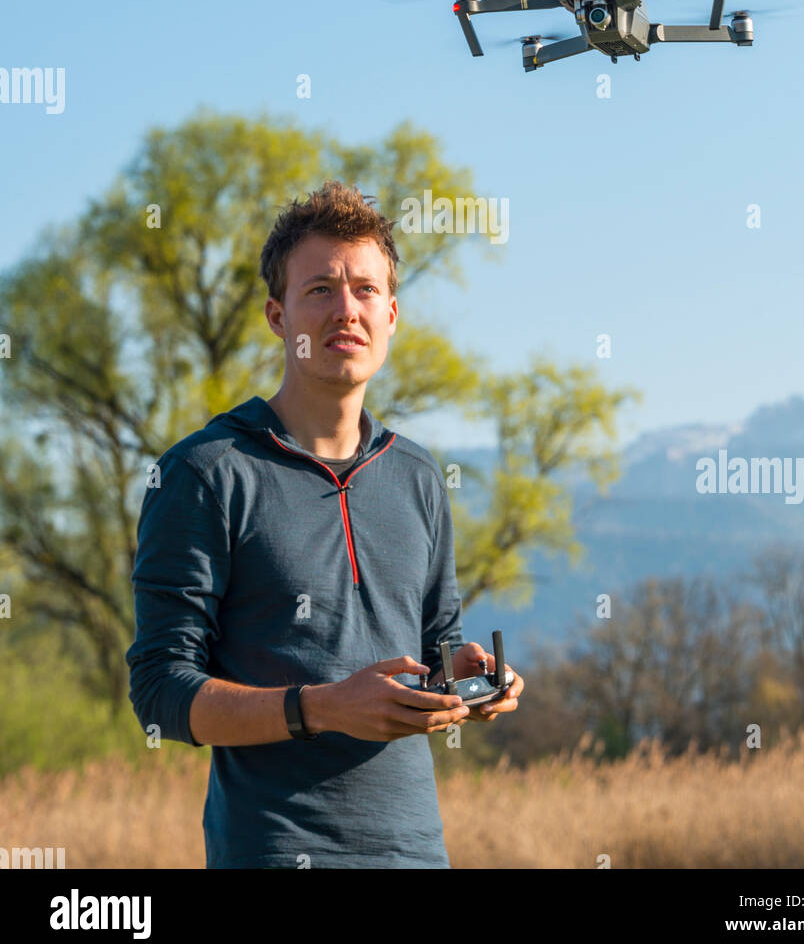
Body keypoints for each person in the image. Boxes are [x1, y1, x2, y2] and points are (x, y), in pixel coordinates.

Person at [126, 180, 523, 868]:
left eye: (365, 290)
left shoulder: (419, 477)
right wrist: (321, 708)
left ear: (392, 314)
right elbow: (161, 693)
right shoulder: (205, 472)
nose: (347, 309)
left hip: (417, 855)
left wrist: (470, 674)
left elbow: (439, 640)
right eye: (321, 290)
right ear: (278, 316)